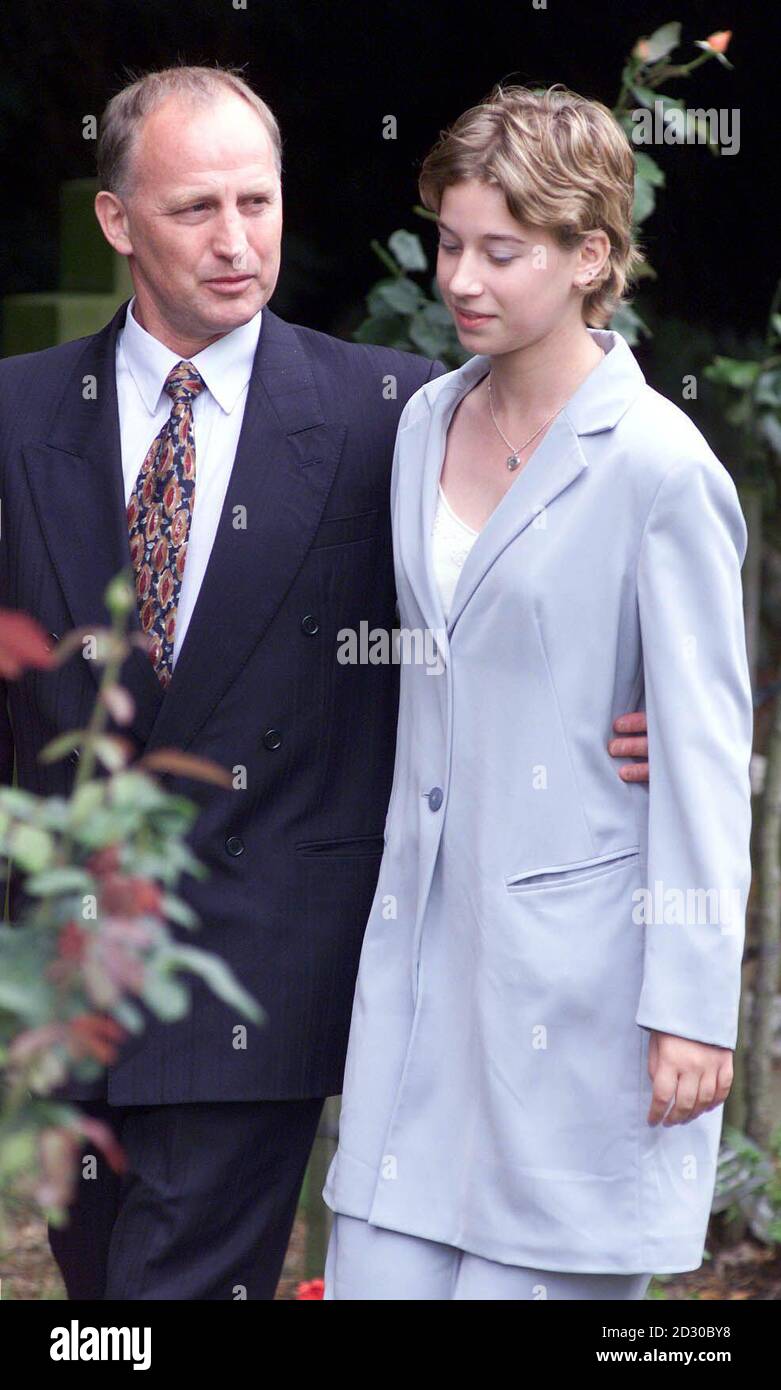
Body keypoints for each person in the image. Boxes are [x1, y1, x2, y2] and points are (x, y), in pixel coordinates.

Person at [0, 66, 648, 1301]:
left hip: (269, 969)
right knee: (96, 1298)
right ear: (115, 218)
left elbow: (531, 596)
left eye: (260, 199)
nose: (238, 241)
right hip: (64, 974)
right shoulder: (18, 412)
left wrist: (634, 717)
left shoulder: (396, 412)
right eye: (196, 208)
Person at [322, 83, 754, 1300]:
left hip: (583, 988)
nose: (462, 277)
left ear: (590, 256)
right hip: (417, 961)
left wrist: (691, 1007)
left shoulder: (663, 468)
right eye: (450, 243)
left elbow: (706, 755)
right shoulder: (422, 422)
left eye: (501, 252)